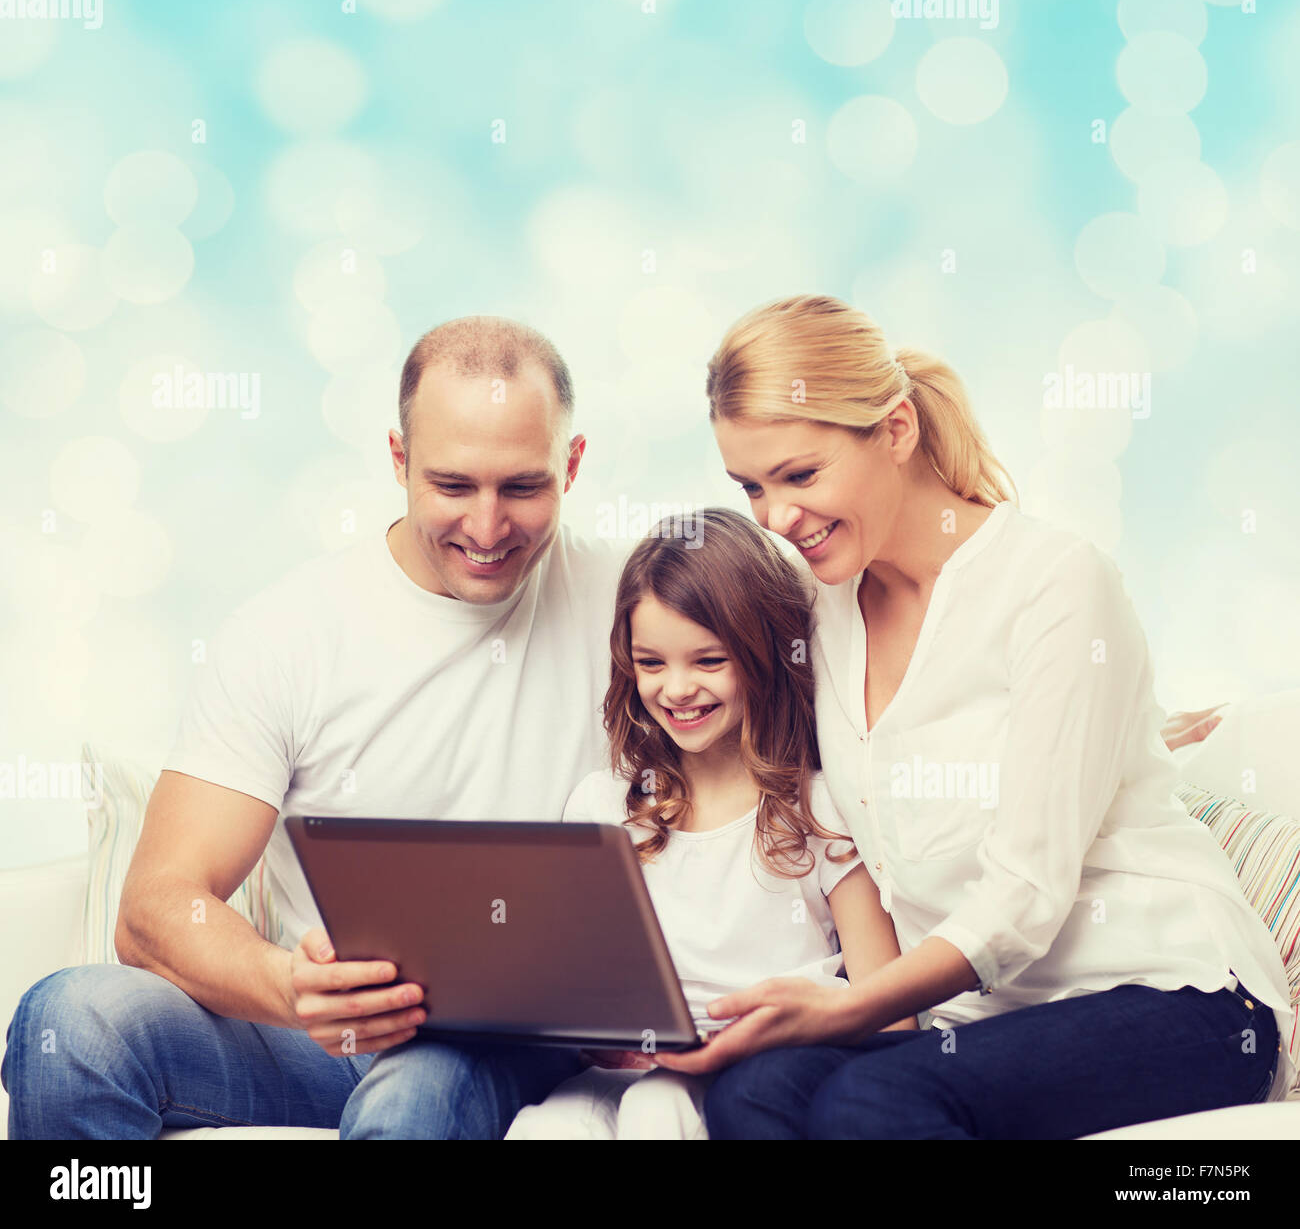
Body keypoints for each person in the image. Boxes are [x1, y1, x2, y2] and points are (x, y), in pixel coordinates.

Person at [650, 293, 1297, 1140]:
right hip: (983, 1024)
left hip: (1175, 999)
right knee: (754, 1092)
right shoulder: (820, 609)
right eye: (752, 486)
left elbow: (1024, 895)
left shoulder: (1056, 582)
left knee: (871, 1099)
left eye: (800, 475)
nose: (775, 517)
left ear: (896, 430)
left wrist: (842, 1010)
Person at [1, 316, 633, 1140]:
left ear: (571, 464)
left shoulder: (641, 613)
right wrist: (289, 987)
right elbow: (157, 905)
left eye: (521, 487)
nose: (486, 528)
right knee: (72, 1022)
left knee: (413, 1095)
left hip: (516, 1045)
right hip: (319, 1040)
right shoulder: (291, 631)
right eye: (452, 486)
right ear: (399, 461)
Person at [508, 508, 913, 1139]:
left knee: (658, 1110)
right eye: (651, 663)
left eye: (708, 660)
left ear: (764, 655)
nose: (676, 688)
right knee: (547, 1127)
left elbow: (892, 1015)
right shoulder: (602, 808)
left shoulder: (819, 812)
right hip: (621, 1070)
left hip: (751, 1077)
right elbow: (569, 985)